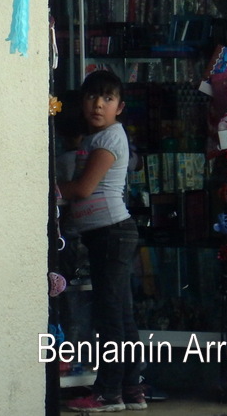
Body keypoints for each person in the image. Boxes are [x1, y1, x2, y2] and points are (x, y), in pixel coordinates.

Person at [58, 70, 145, 414]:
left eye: (108, 99)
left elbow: (83, 188)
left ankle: (108, 394)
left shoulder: (109, 137)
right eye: (93, 97)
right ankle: (131, 388)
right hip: (106, 234)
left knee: (111, 319)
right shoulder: (93, 138)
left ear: (120, 107)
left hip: (111, 233)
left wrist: (45, 189)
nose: (98, 104)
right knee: (121, 316)